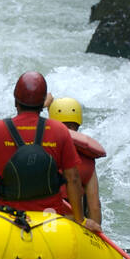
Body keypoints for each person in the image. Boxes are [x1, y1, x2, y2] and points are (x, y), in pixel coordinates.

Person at [0, 72, 85, 225]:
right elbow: (73, 179)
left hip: (8, 216)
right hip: (50, 214)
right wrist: (80, 221)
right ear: (43, 102)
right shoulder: (59, 130)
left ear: (15, 101)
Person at [48, 97, 106, 226]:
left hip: (43, 221)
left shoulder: (42, 149)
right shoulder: (87, 159)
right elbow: (94, 206)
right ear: (78, 122)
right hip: (74, 224)